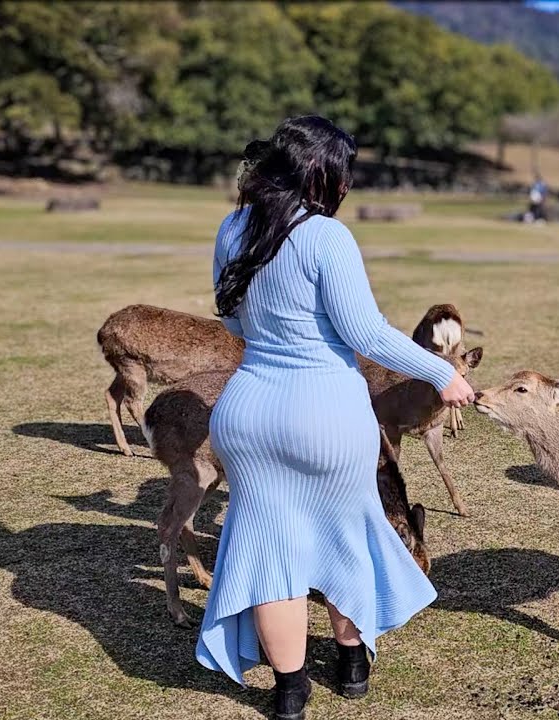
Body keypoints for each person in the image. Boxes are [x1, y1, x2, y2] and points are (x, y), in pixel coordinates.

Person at [202, 115, 476, 719]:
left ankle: (289, 690)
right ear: (322, 175)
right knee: (346, 536)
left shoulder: (233, 227)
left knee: (270, 553)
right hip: (324, 412)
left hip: (246, 413)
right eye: (343, 173)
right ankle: (351, 663)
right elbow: (365, 333)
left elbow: (233, 320)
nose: (347, 185)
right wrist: (441, 373)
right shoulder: (326, 236)